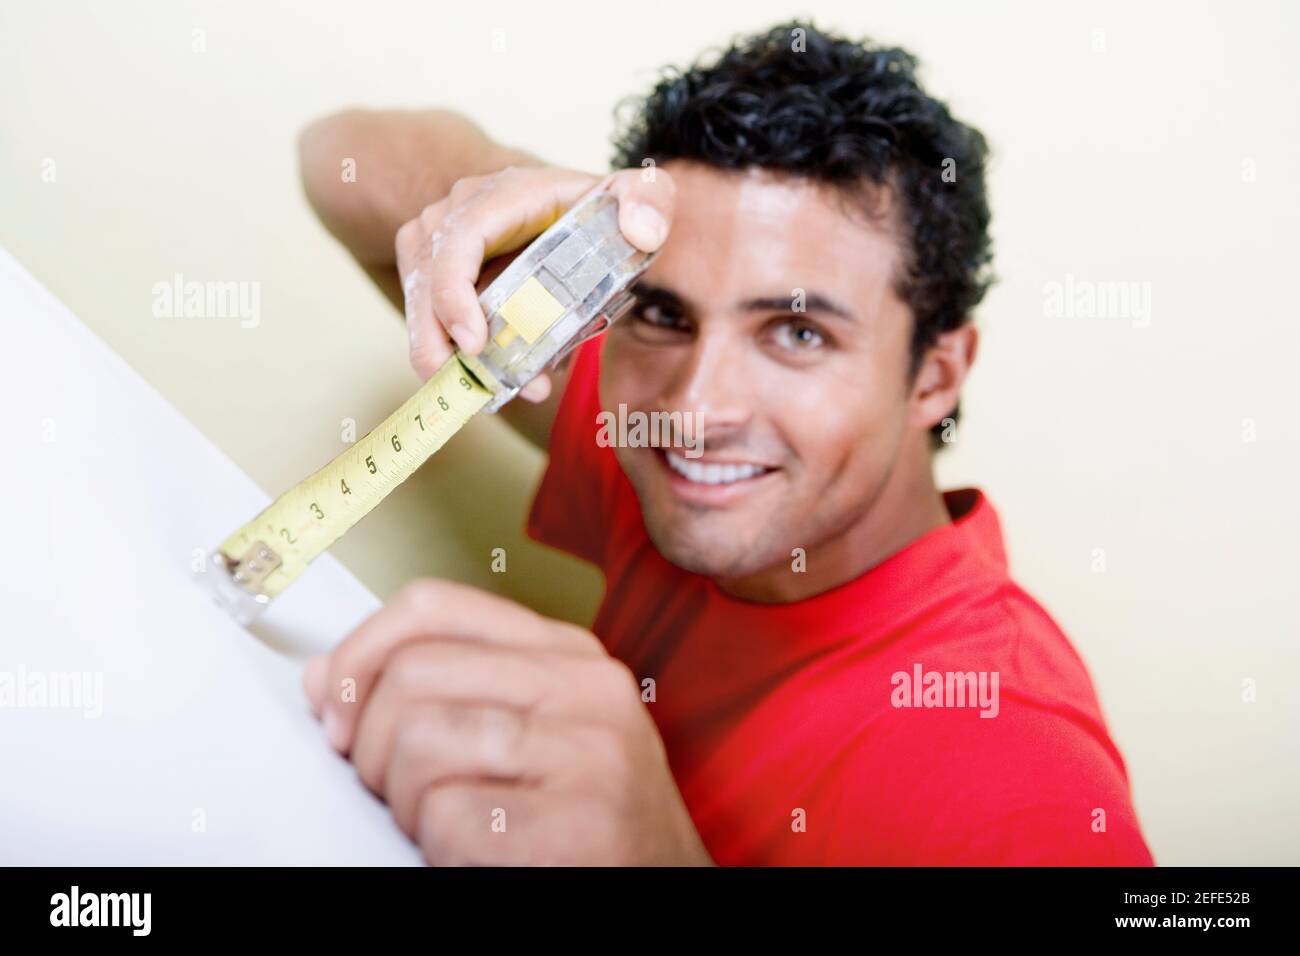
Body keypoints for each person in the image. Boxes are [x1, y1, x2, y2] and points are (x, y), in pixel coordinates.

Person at [296, 21, 1154, 865]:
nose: (697, 408)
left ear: (936, 373)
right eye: (664, 310)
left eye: (797, 332)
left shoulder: (1014, 782)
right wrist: (525, 217)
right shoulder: (667, 439)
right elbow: (337, 160)